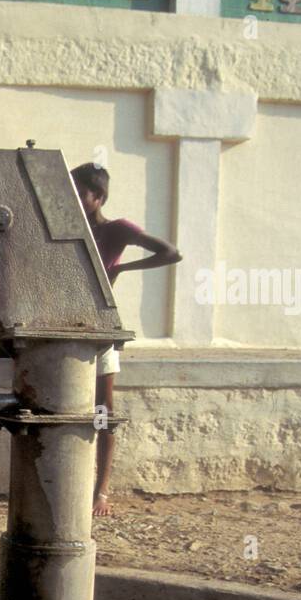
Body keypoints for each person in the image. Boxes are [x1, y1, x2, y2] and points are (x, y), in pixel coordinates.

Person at [70, 162, 181, 518]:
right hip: (64, 325)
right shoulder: (65, 229)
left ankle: (100, 490)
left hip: (101, 325)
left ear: (98, 197)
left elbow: (170, 253)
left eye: (79, 190)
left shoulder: (116, 230)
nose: (71, 196)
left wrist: (120, 269)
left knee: (103, 409)